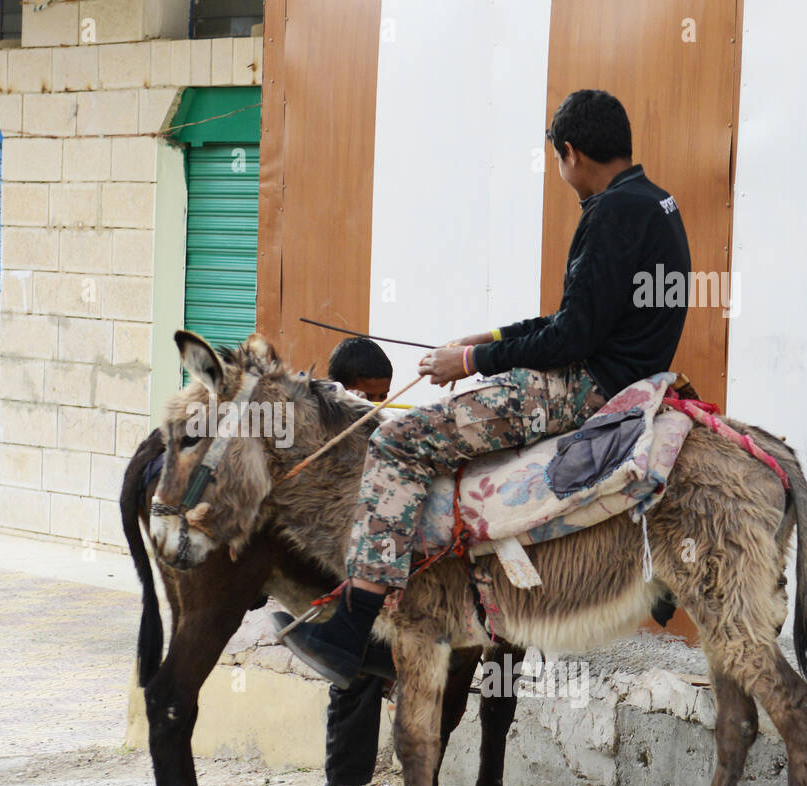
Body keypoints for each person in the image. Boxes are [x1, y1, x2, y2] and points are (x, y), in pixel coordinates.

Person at [284, 89, 692, 688]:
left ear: (570, 153)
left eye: (558, 160)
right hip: (625, 377)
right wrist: (491, 336)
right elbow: (575, 319)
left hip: (586, 388)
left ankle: (352, 623)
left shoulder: (608, 213)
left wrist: (471, 360)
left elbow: (570, 339)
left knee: (399, 441)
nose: (560, 172)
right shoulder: (656, 203)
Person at [316, 337, 394, 786]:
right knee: (358, 666)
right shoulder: (322, 431)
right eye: (372, 396)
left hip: (373, 569)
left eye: (385, 397)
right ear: (348, 391)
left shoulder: (370, 430)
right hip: (336, 574)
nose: (380, 407)